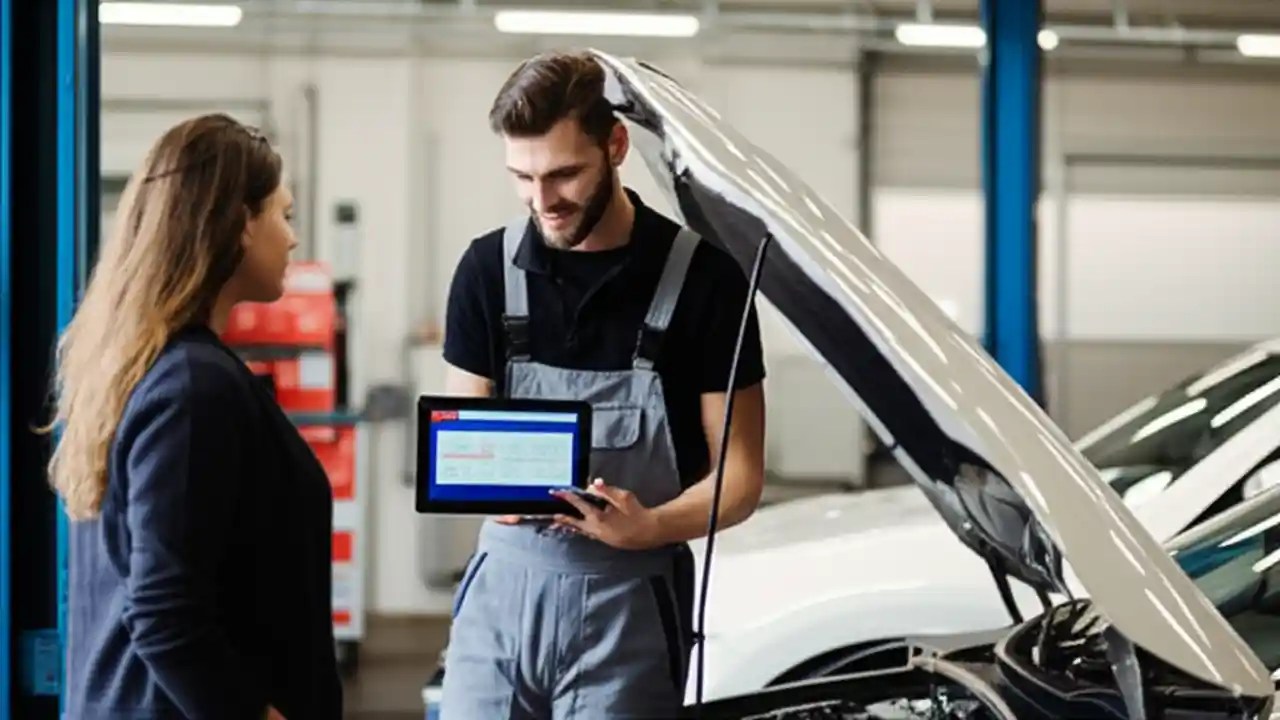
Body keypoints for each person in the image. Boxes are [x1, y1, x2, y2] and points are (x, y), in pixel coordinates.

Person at [439, 50, 768, 719]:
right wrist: (482, 488)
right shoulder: (485, 271)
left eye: (564, 174)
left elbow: (740, 476)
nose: (542, 202)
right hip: (501, 598)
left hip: (631, 605)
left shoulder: (706, 281)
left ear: (615, 146)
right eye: (522, 177)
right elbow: (460, 432)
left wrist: (652, 526)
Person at [49, 113, 343, 720]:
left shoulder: (149, 369)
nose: (292, 239)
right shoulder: (191, 387)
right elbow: (165, 614)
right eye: (283, 215)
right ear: (241, 223)